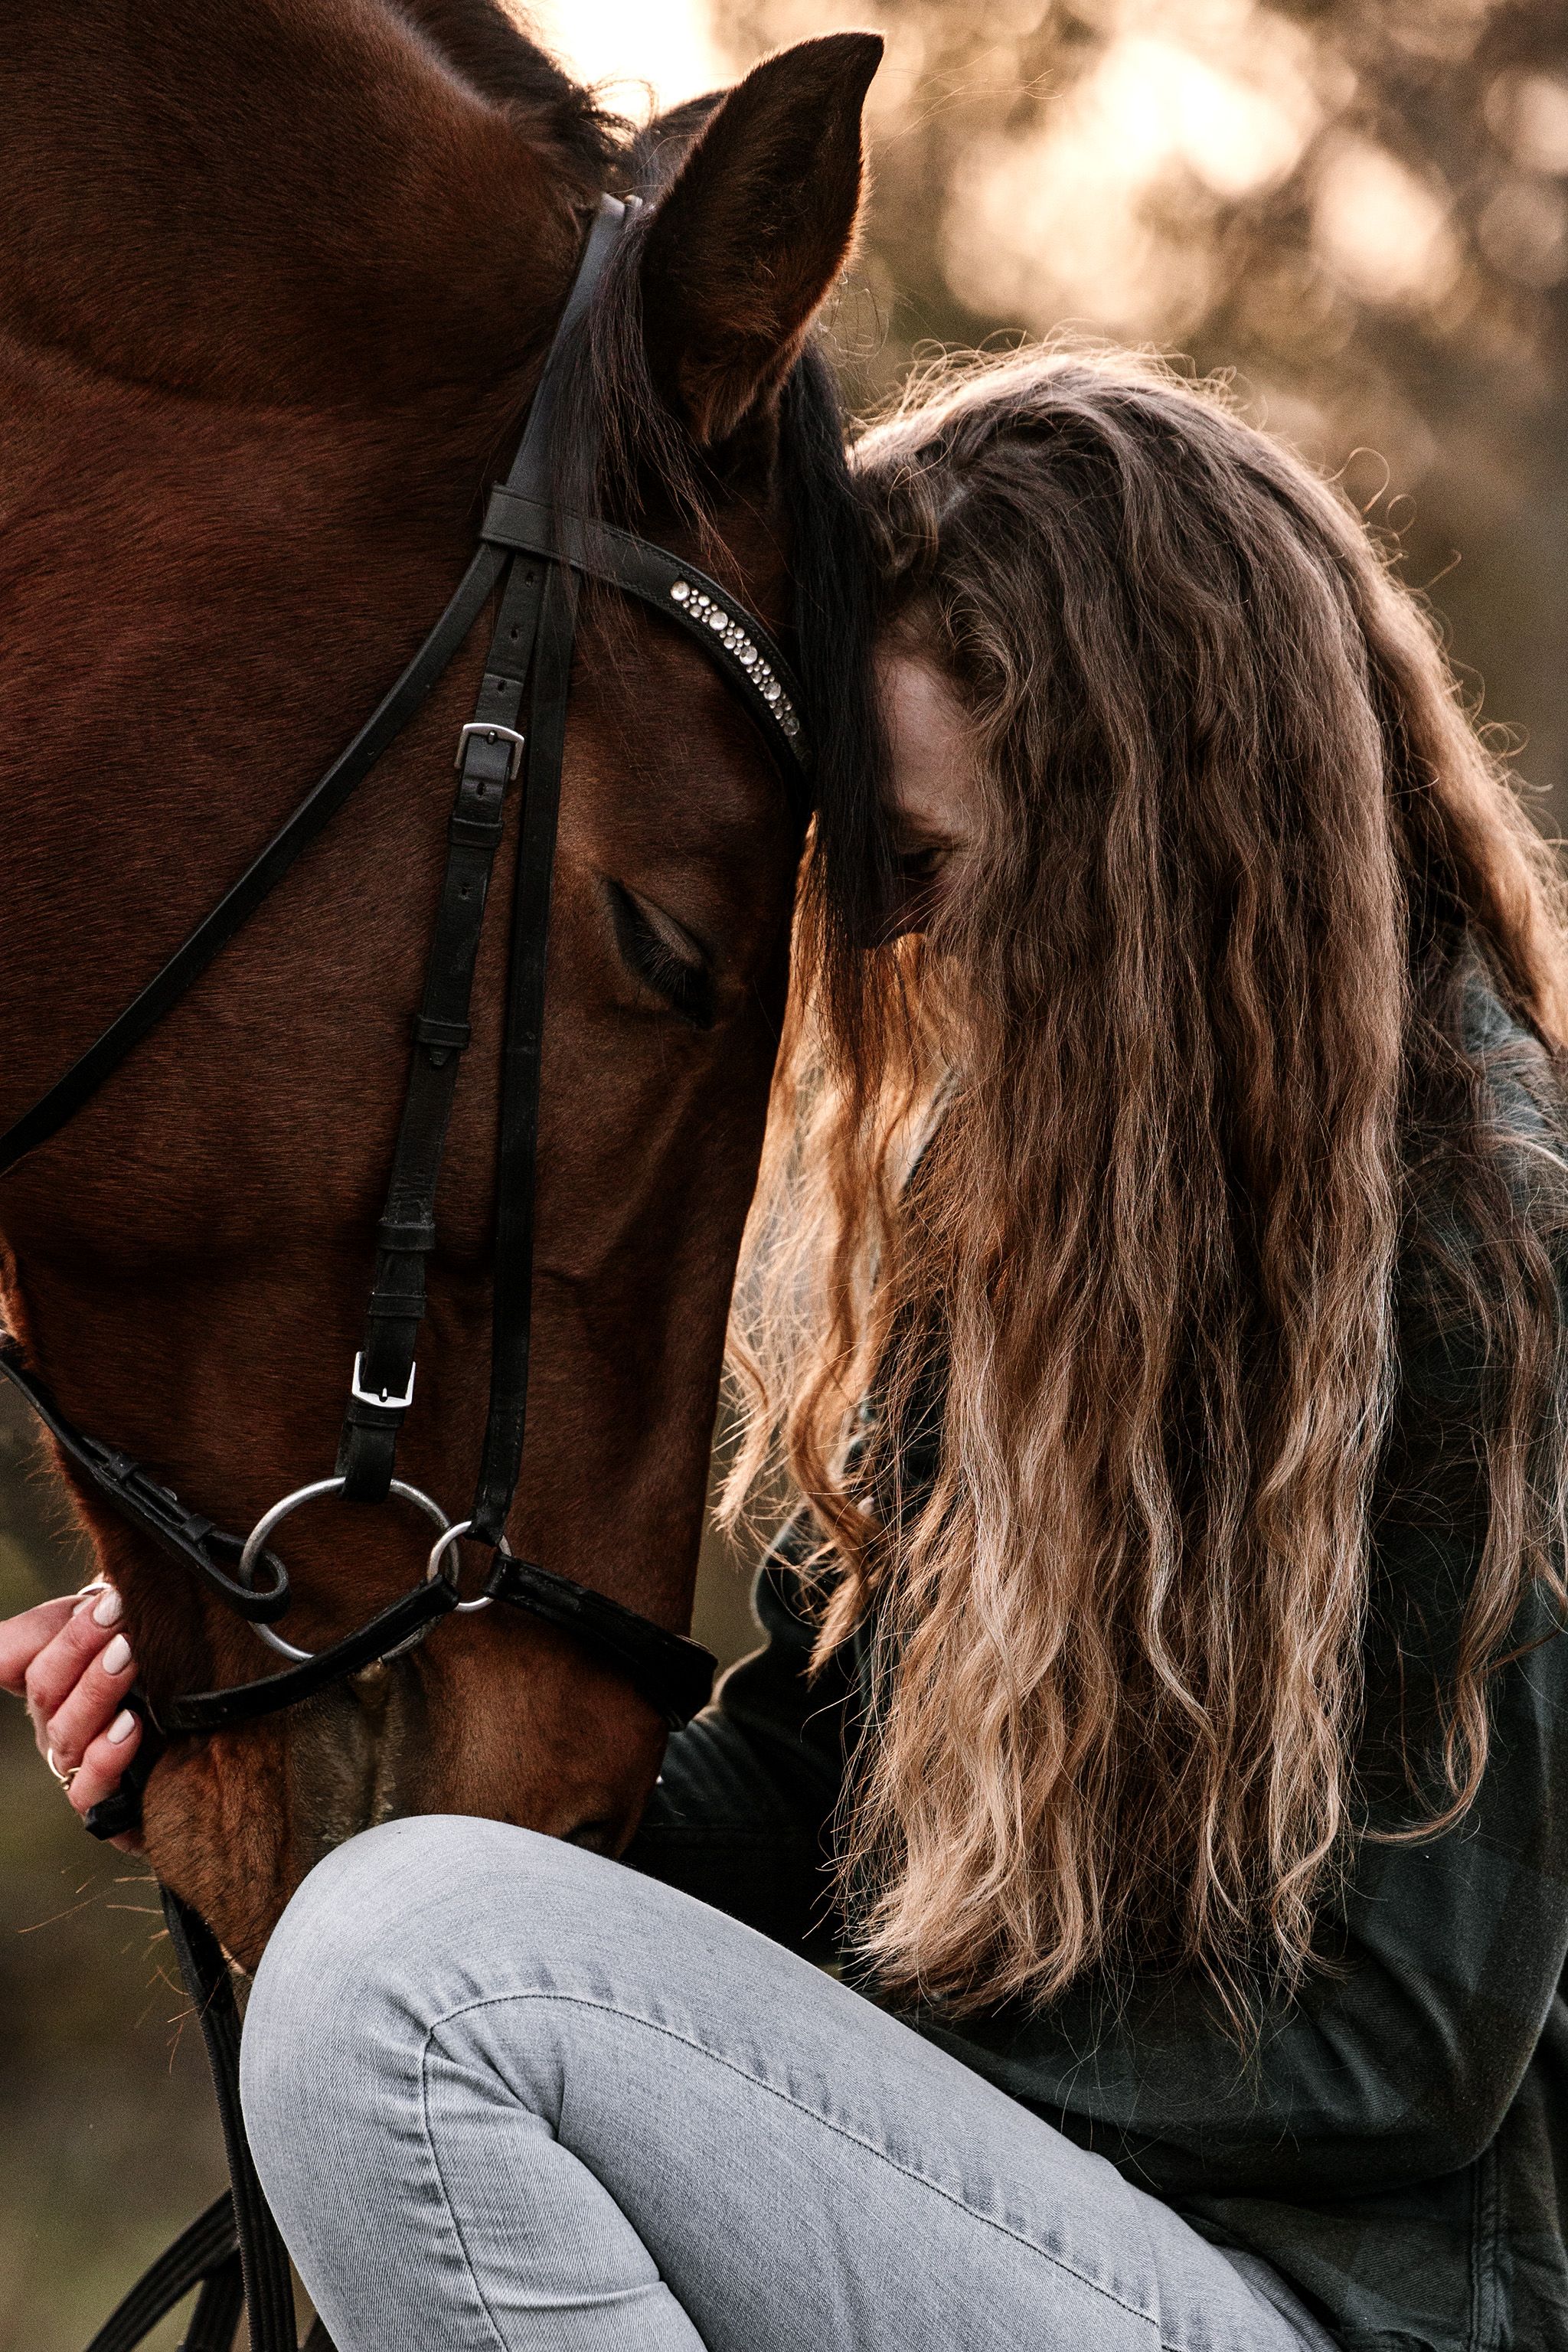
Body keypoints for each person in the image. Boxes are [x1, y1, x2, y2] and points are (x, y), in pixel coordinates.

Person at [8, 349, 1568, 2352]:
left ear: (1134, 817)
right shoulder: (1045, 1256)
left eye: (921, 868)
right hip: (1059, 2256)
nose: (893, 950)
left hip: (1337, 2313)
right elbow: (810, 1811)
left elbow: (1405, 2049)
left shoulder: (1497, 1262)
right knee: (380, 1940)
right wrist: (307, 1714)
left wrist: (768, 2055)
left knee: (415, 1999)